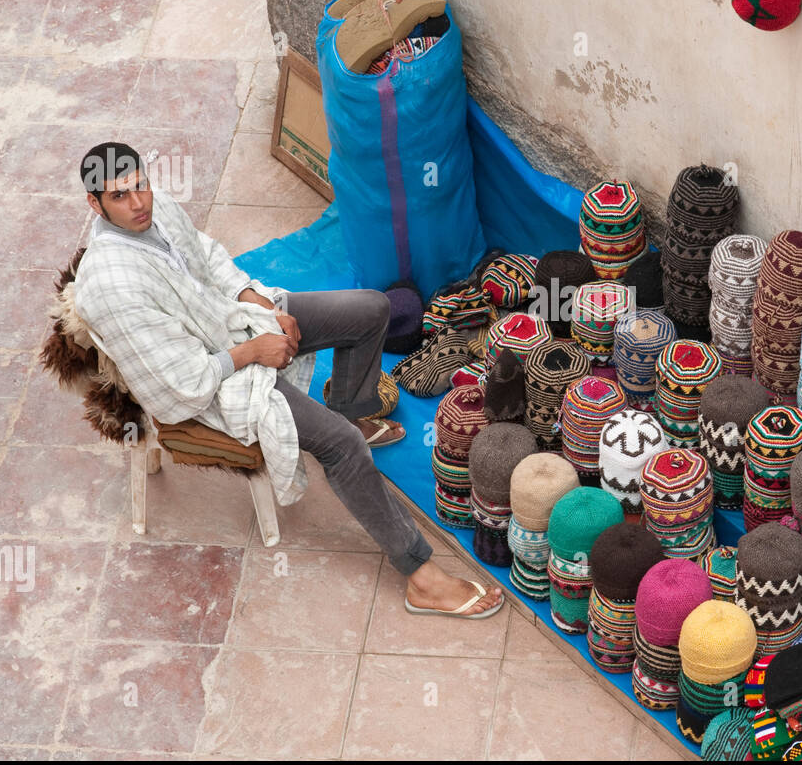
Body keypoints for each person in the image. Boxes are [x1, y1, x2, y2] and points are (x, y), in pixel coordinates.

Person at [72, 142, 502, 619]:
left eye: (141, 185)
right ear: (95, 204)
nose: (139, 203)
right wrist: (254, 351)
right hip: (215, 385)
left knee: (370, 309)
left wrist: (256, 300)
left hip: (234, 322)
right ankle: (420, 575)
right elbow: (181, 385)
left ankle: (347, 408)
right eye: (119, 196)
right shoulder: (111, 285)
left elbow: (209, 256)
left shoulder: (154, 209)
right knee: (341, 447)